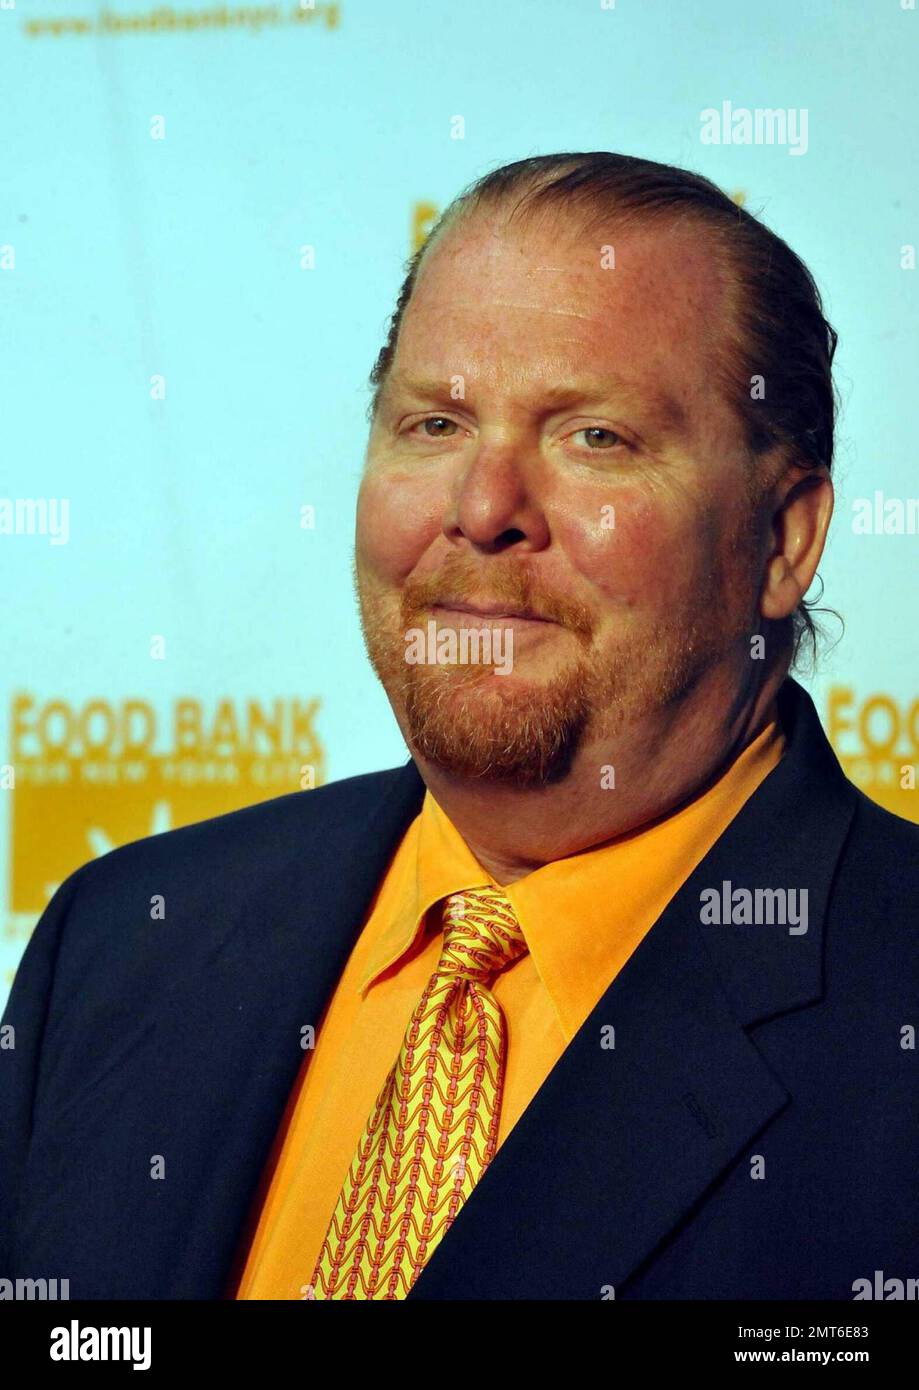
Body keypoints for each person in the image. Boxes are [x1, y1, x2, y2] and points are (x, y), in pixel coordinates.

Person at [2, 152, 917, 1302]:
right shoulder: (123, 941)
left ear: (783, 536)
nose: (482, 509)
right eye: (434, 423)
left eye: (595, 438)